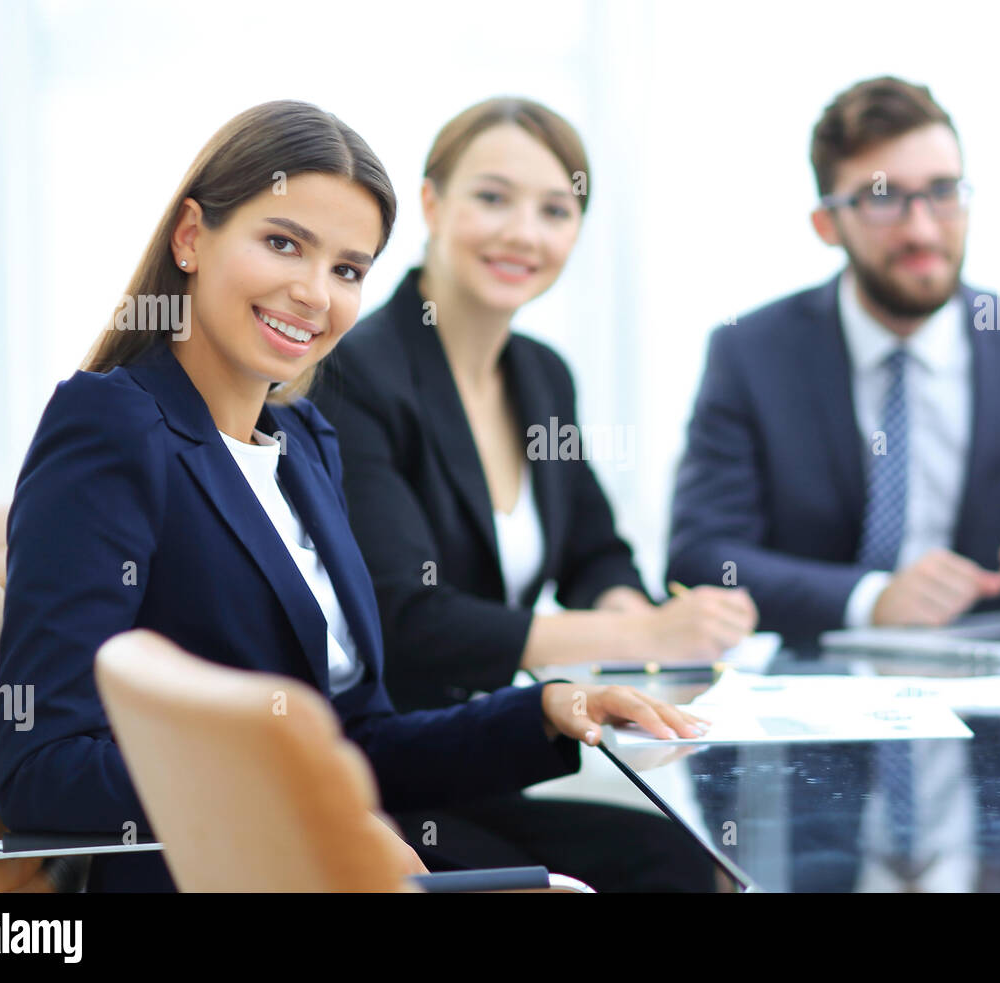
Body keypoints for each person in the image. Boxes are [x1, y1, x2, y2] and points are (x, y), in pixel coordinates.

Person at [0, 100, 704, 893]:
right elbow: (42, 765)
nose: (313, 292)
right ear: (190, 236)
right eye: (282, 243)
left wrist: (545, 710)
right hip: (222, 877)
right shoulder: (112, 428)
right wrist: (304, 806)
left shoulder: (303, 443)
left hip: (322, 862)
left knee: (668, 863)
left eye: (347, 270)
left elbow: (358, 738)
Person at [312, 97, 751, 891]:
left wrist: (635, 617)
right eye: (492, 197)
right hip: (382, 777)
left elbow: (593, 549)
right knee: (666, 868)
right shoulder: (356, 373)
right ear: (431, 203)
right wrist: (648, 628)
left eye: (555, 209)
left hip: (475, 760)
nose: (524, 232)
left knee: (693, 857)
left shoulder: (542, 375)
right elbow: (408, 619)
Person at [668, 76, 1000, 645]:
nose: (921, 229)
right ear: (827, 224)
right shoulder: (751, 354)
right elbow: (702, 558)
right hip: (816, 680)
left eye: (943, 192)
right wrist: (870, 599)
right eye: (882, 198)